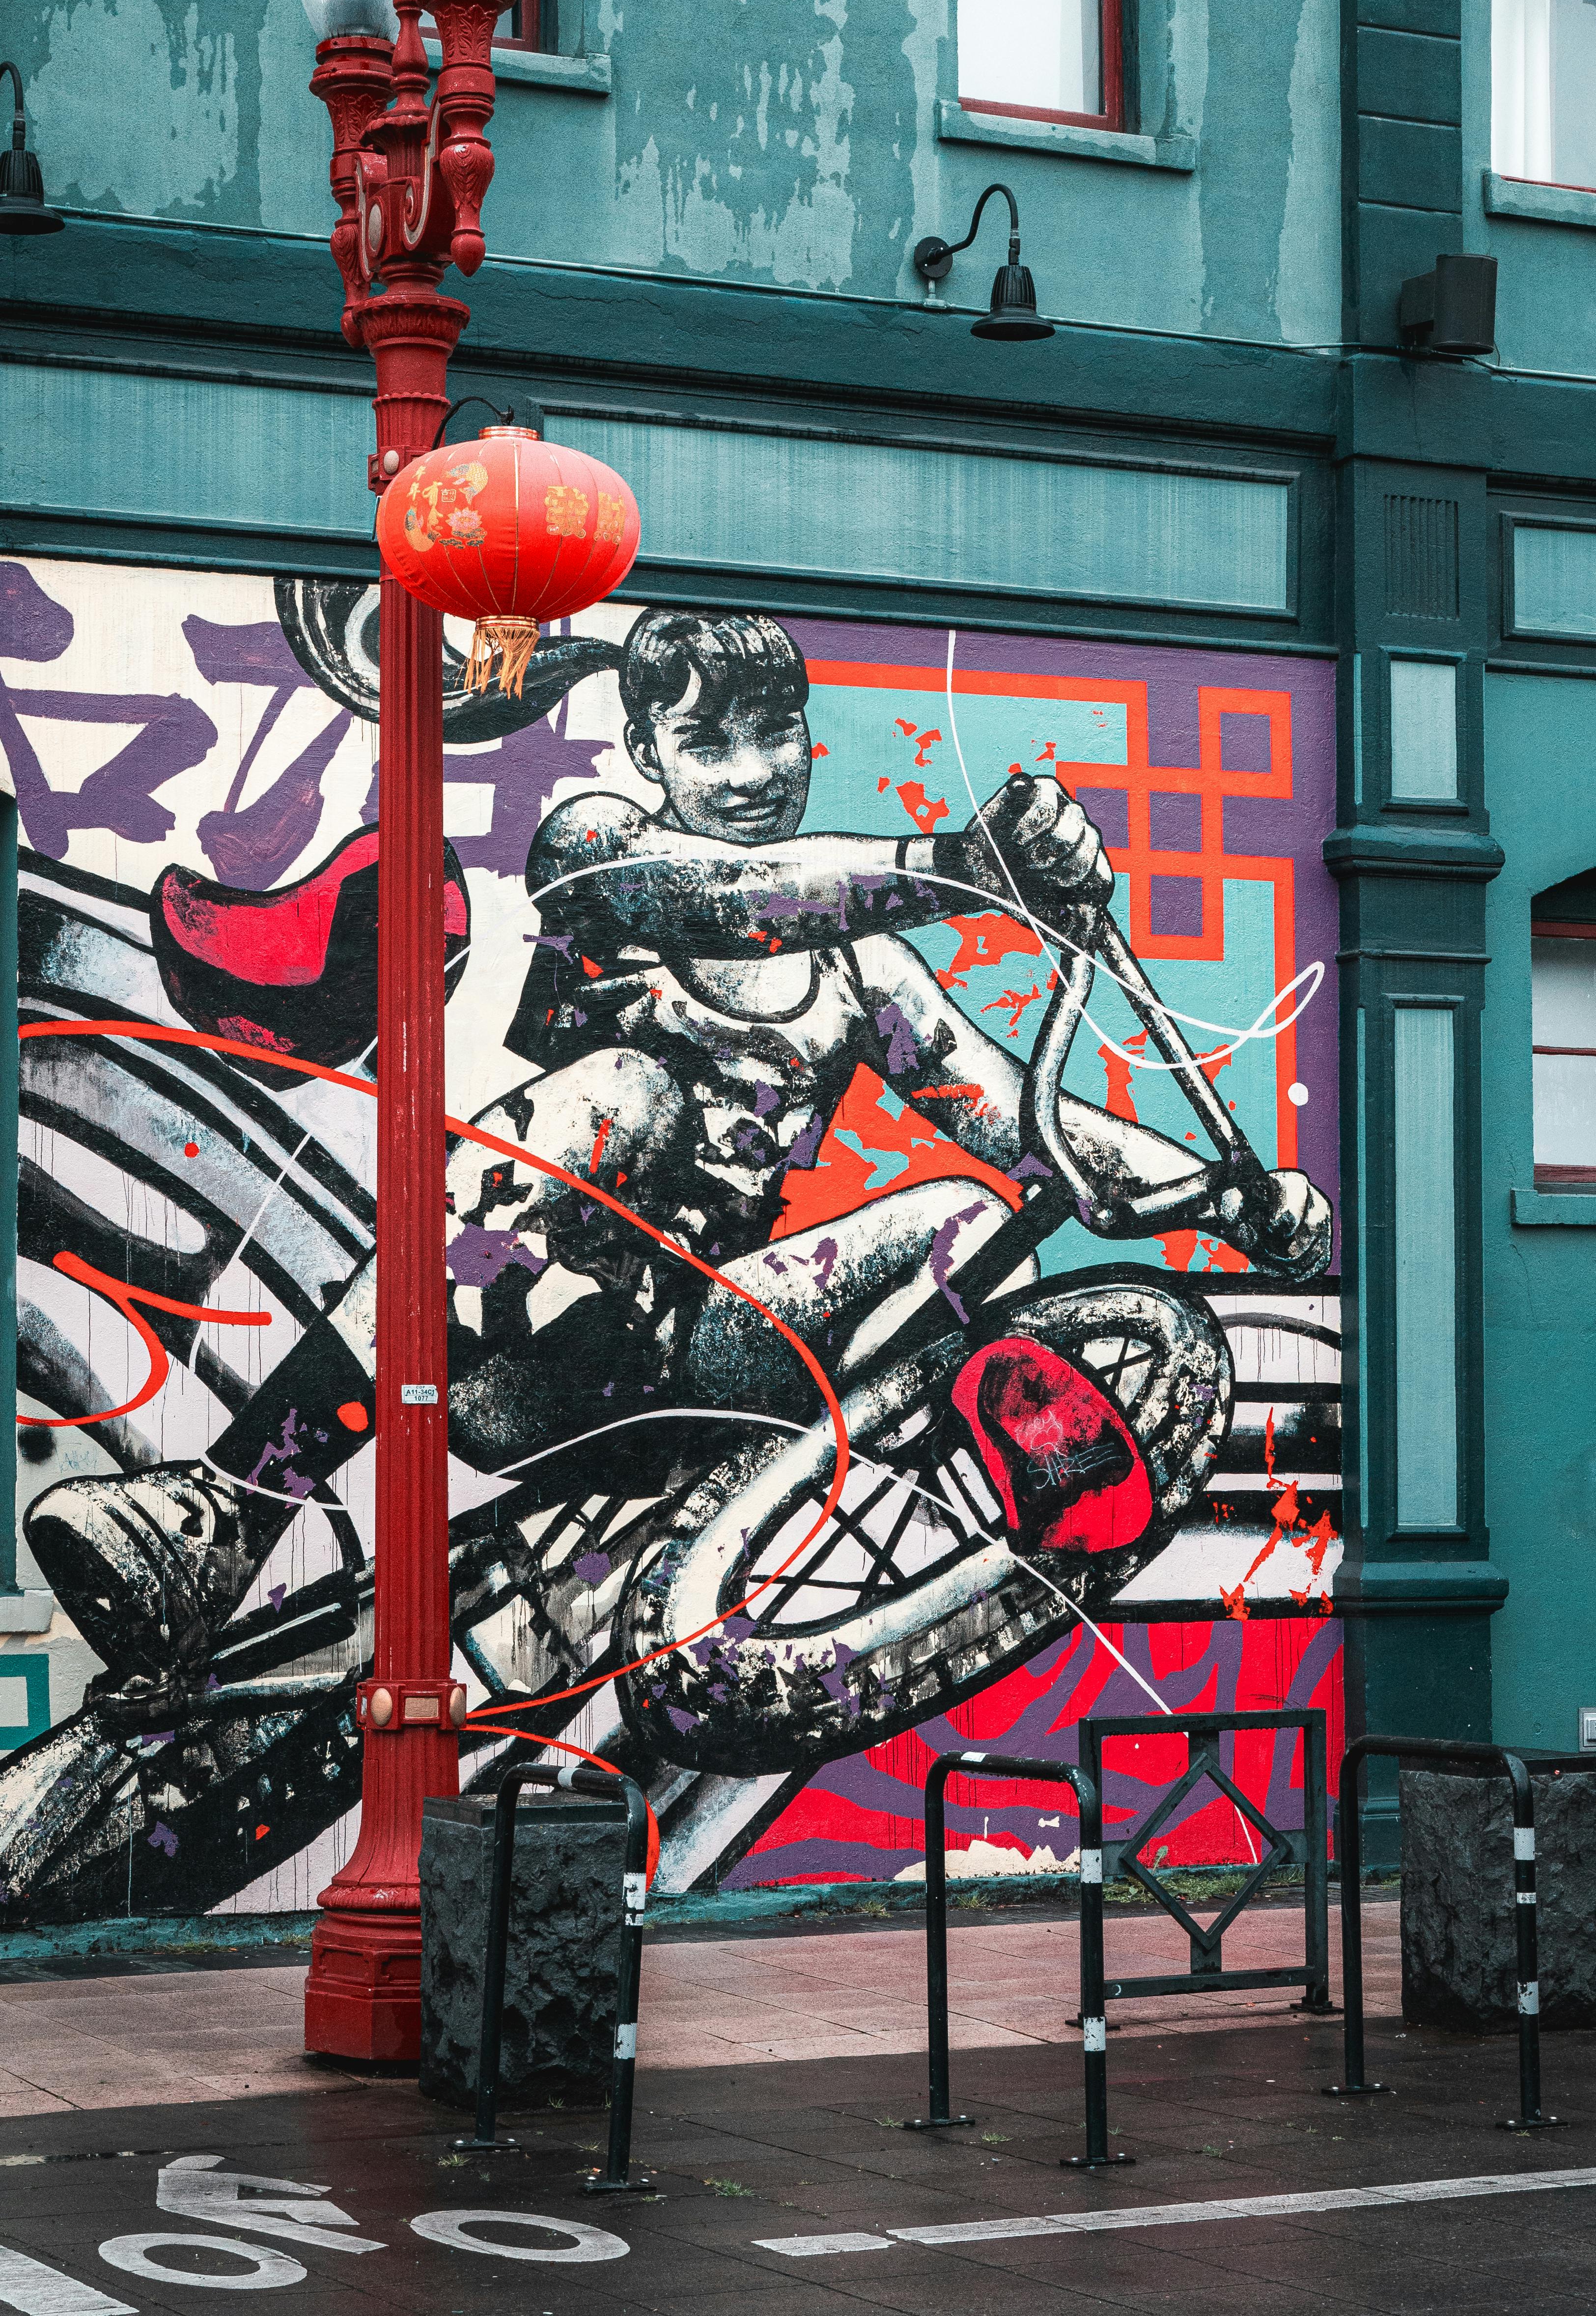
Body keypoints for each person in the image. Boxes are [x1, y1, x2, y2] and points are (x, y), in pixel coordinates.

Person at [27, 610, 1330, 1688]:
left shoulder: (868, 972)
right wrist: (957, 862)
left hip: (709, 1358)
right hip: (534, 1337)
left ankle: (935, 1518)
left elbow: (1027, 1126)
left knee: (954, 1207)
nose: (752, 771)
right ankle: (222, 1512)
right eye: (708, 741)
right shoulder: (595, 847)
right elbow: (724, 901)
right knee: (627, 1097)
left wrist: (1227, 1195)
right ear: (647, 750)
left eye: (777, 734)